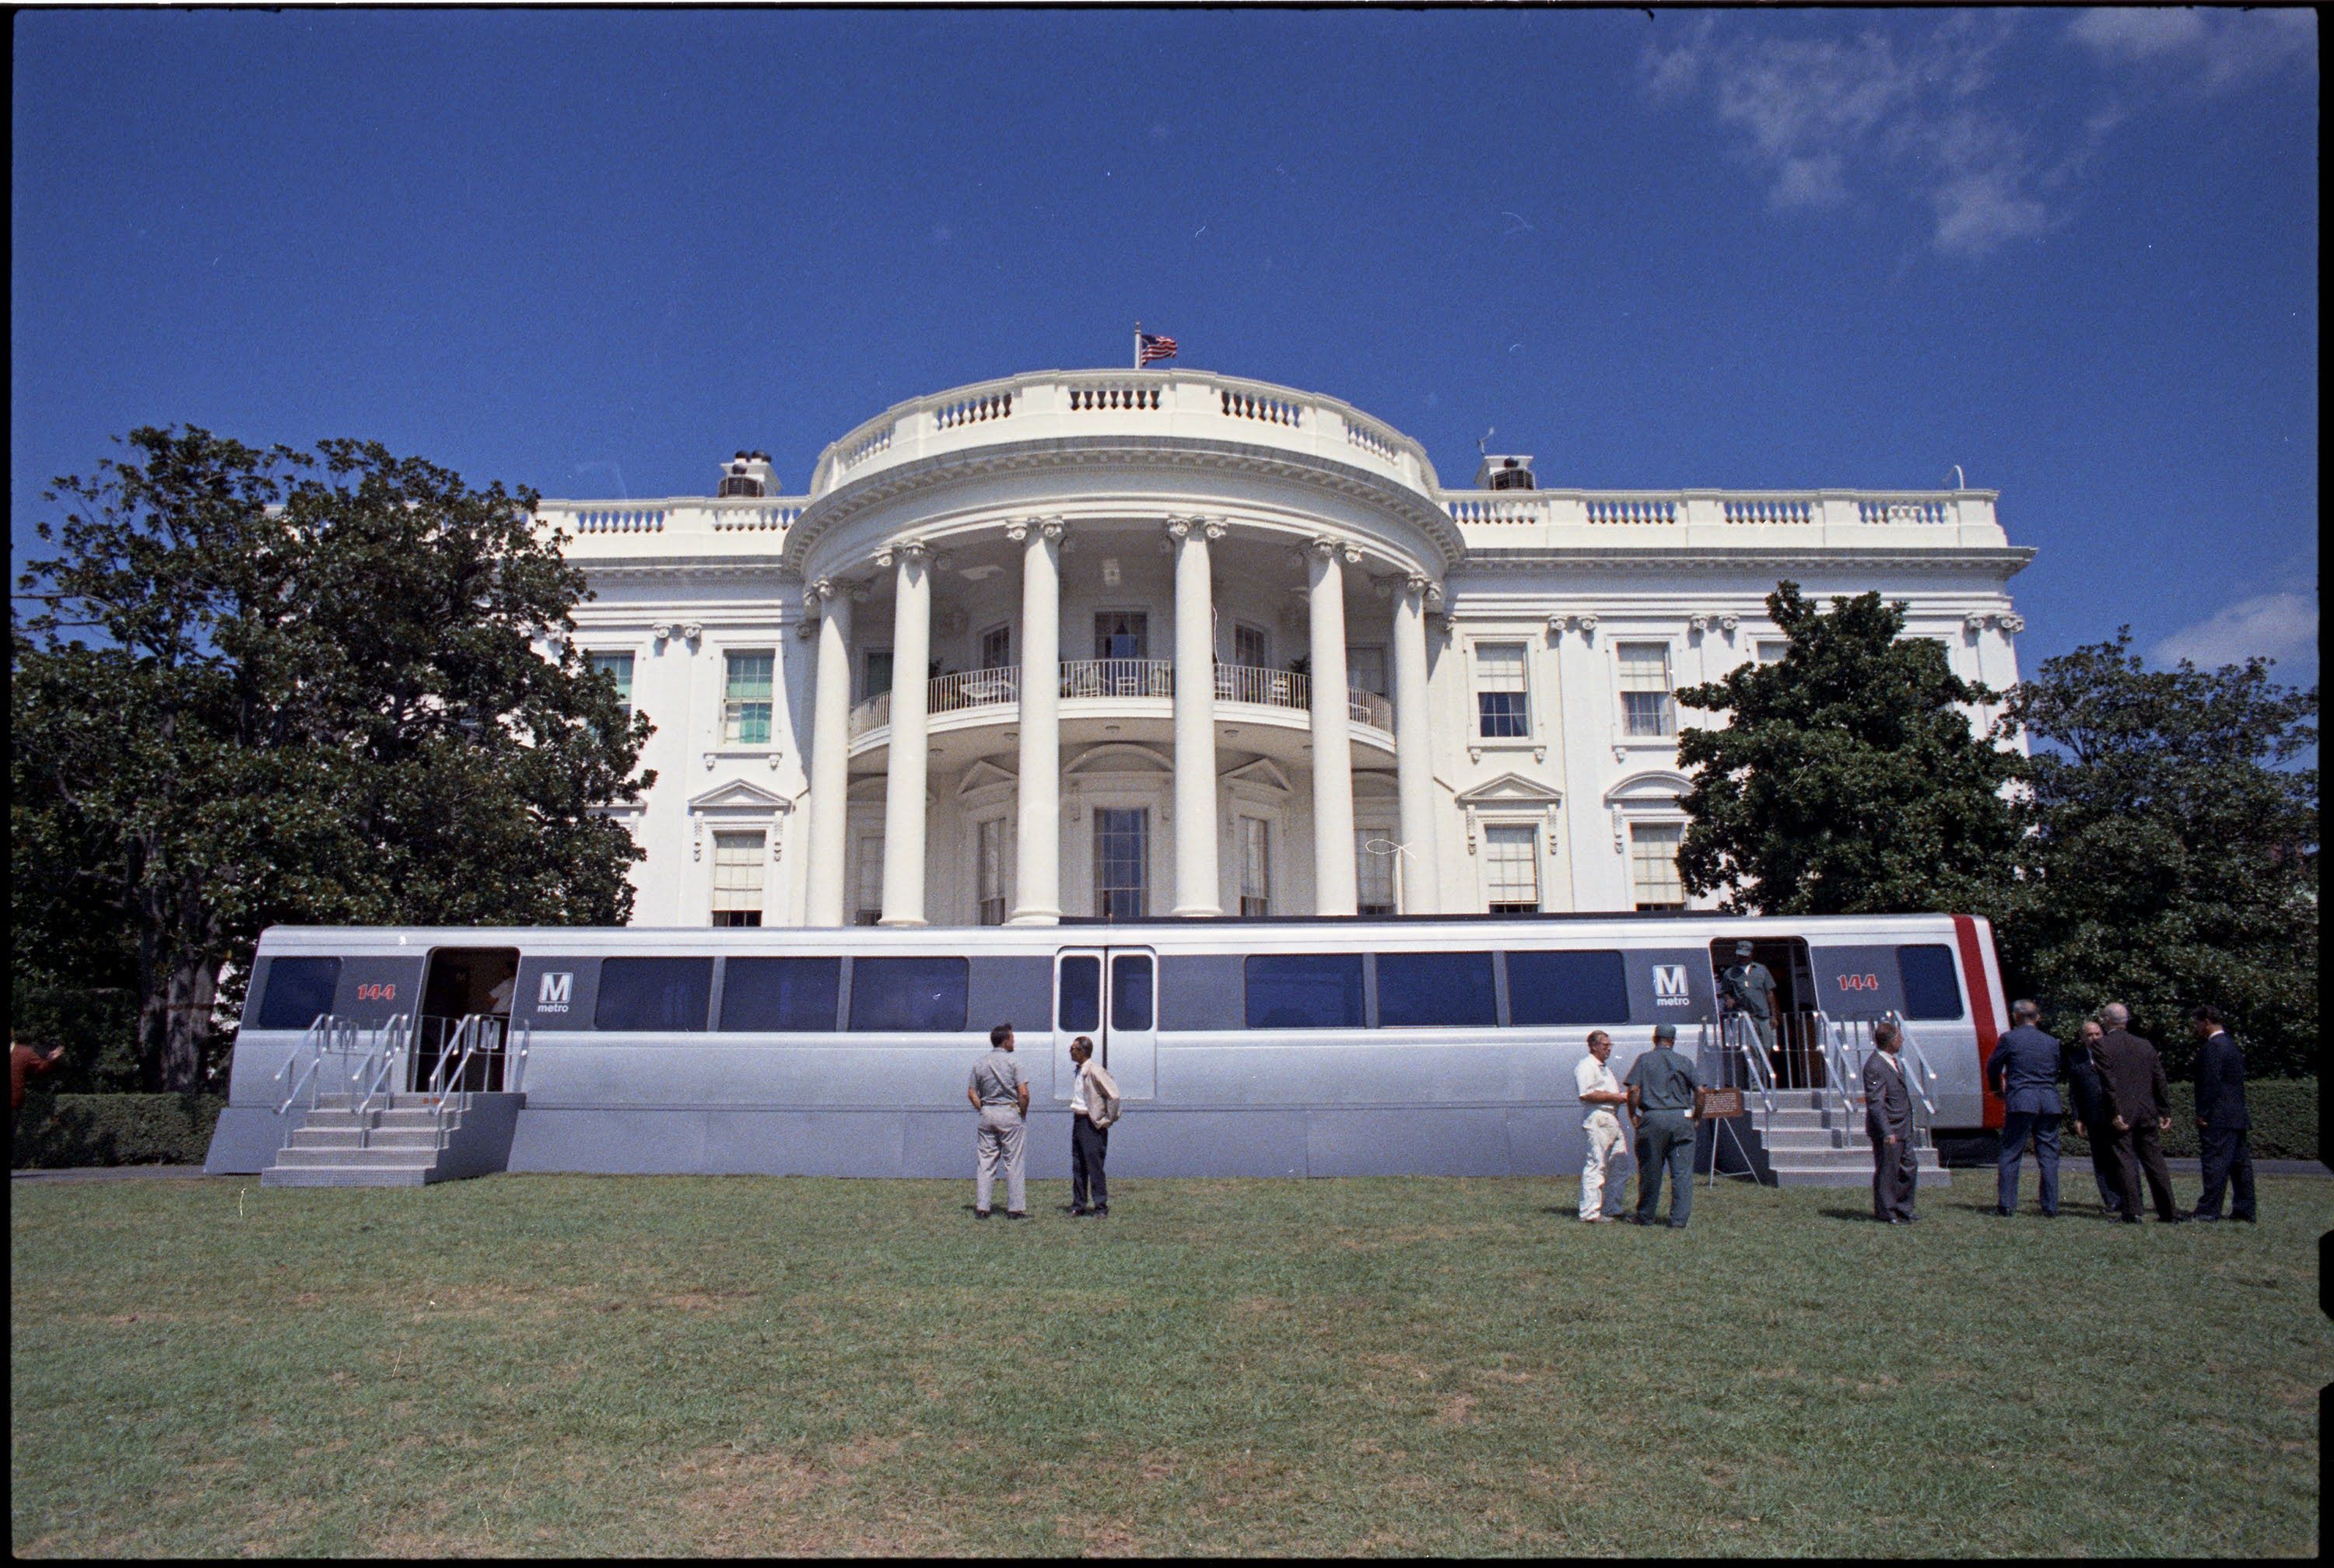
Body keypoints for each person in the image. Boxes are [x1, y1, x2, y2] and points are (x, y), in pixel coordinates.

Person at [2092, 1003, 2185, 1225]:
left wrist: (2115, 1112)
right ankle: (2168, 1211)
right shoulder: (2145, 1045)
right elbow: (2159, 1078)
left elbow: (2109, 1083)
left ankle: (2132, 1211)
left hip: (2122, 1112)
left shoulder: (2102, 1045)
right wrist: (2164, 1109)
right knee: (2155, 1162)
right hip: (2146, 1110)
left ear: (2106, 1020)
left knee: (2125, 1161)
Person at [1987, 999, 2063, 1217]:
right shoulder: (2051, 1042)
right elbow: (2056, 1068)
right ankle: (2050, 1207)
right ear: (2037, 1017)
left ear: (2016, 1017)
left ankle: (2008, 1204)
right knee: (2048, 1156)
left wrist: (1996, 1087)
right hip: (2049, 1101)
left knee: (2011, 1152)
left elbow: (1993, 1065)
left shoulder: (2010, 1039)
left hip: (2021, 1100)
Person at [1623, 1023, 1701, 1229]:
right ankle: (1679, 1220)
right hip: (1681, 1118)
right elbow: (1701, 1091)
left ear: (1654, 1038)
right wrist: (1697, 1117)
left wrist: (1633, 1115)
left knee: (1651, 1170)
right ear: (1673, 1041)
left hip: (1654, 1118)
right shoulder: (1684, 1061)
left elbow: (1633, 1091)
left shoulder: (1645, 1060)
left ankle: (1645, 1215)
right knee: (1682, 1173)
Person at [2187, 1004, 2255, 1223]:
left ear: (2206, 1022)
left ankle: (2208, 1209)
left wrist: (2203, 1113)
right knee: (2240, 1166)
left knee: (2215, 1163)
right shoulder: (2232, 1046)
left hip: (2218, 1116)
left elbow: (2211, 1084)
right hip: (2236, 1116)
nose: (2196, 1028)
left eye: (2197, 1023)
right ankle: (2244, 1209)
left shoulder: (2213, 1048)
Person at [966, 1021, 1030, 1220]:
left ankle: (983, 1207)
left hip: (988, 1113)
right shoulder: (1015, 1063)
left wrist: (982, 1109)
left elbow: (971, 1092)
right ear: (1005, 1041)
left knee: (986, 1162)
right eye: (1012, 1038)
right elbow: (1024, 1093)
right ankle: (1015, 1208)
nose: (1014, 1042)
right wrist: (1022, 1112)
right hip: (1009, 1112)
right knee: (1013, 1162)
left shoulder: (980, 1063)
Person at [2064, 1018, 2124, 1217]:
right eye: (2089, 1035)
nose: (2094, 1038)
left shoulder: (2114, 1055)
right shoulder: (2076, 1059)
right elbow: (2075, 1092)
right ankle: (2112, 1200)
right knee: (2102, 1160)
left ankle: (2130, 1198)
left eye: (2098, 1034)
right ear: (2082, 1037)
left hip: (2117, 1116)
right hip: (2094, 1117)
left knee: (2122, 1159)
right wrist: (2077, 1117)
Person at [1863, 1020, 1919, 1223]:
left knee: (1909, 1166)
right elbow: (1876, 1103)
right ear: (1891, 1041)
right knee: (1888, 1171)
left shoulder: (1891, 1061)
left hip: (1903, 1126)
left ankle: (1904, 1207)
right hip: (1891, 1129)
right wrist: (1887, 1131)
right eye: (1899, 1038)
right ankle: (1887, 1212)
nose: (1902, 1041)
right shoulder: (1875, 1066)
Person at [1574, 1031, 1631, 1223]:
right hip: (1598, 1117)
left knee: (1620, 1163)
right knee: (1596, 1164)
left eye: (1610, 1045)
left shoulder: (1605, 1068)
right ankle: (1589, 1212)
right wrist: (1616, 1097)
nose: (1608, 1049)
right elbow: (1586, 1094)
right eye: (1604, 1045)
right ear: (1593, 1046)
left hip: (1612, 1118)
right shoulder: (1586, 1066)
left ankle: (1612, 1207)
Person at [1066, 1035, 1120, 1218]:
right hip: (1079, 1120)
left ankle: (1100, 1206)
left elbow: (1113, 1095)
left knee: (1094, 1165)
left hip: (1091, 1123)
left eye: (1073, 1048)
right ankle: (1078, 1204)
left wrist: (1107, 1119)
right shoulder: (1080, 1071)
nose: (1070, 1051)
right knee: (1078, 1165)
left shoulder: (1095, 1071)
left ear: (1082, 1051)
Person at [1718, 940, 1778, 1057]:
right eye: (1740, 955)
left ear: (1751, 954)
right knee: (1752, 1047)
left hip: (1763, 1014)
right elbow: (1725, 992)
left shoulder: (1761, 969)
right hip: (1745, 1015)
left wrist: (1773, 1015)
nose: (1742, 957)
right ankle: (1757, 1073)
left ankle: (1762, 1070)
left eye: (1745, 955)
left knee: (1767, 1045)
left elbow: (1769, 993)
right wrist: (1728, 999)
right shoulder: (1730, 973)